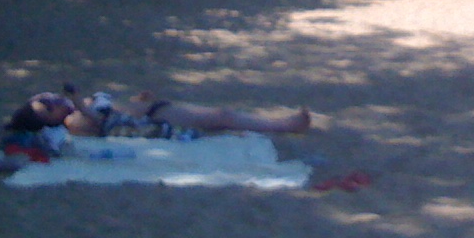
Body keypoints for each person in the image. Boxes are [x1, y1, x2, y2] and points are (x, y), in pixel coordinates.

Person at [65, 90, 310, 137]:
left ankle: (280, 124)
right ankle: (283, 126)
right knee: (221, 116)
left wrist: (138, 100)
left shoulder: (84, 105)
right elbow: (97, 121)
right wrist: (77, 100)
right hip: (159, 117)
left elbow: (120, 109)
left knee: (221, 115)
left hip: (157, 108)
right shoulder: (76, 117)